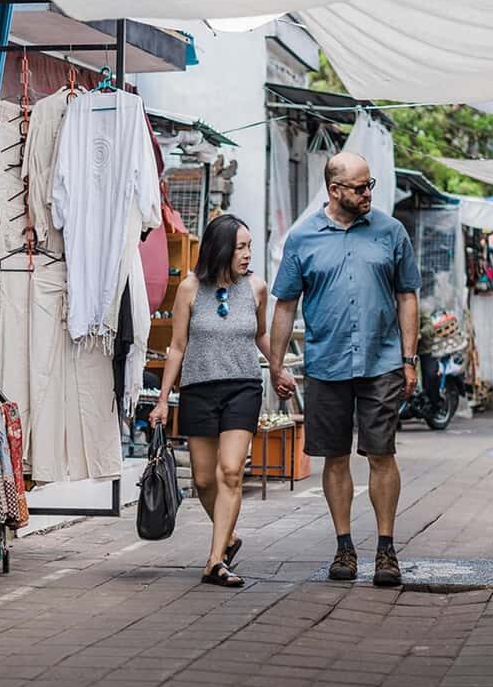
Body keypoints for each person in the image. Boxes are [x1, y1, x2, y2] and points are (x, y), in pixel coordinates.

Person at [269, 152, 422, 587]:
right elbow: (285, 304)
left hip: (382, 360)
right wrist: (277, 365)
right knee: (334, 456)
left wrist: (409, 359)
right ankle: (344, 546)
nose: (368, 193)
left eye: (370, 184)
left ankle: (387, 549)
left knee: (381, 452)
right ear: (335, 190)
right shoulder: (302, 238)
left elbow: (407, 295)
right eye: (359, 187)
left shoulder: (391, 232)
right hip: (326, 362)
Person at [149, 215, 270, 588]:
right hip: (199, 390)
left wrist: (280, 369)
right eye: (241, 247)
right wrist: (162, 398)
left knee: (230, 472)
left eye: (249, 246)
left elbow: (262, 336)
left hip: (243, 387)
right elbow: (178, 347)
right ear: (220, 249)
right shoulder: (189, 288)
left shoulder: (257, 288)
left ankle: (215, 560)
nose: (248, 254)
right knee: (203, 480)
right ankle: (228, 538)